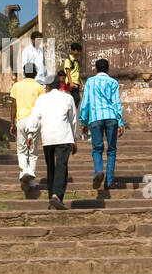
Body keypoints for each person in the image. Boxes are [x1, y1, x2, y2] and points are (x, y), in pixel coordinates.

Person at [29, 74, 78, 210]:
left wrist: (30, 135)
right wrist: (75, 139)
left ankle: (52, 197)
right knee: (61, 166)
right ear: (60, 85)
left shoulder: (42, 99)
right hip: (64, 137)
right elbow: (73, 120)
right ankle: (56, 196)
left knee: (50, 168)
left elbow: (35, 118)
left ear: (47, 86)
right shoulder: (68, 98)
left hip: (48, 138)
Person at [79, 57, 126, 193]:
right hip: (111, 117)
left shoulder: (90, 82)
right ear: (108, 69)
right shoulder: (113, 82)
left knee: (97, 149)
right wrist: (121, 122)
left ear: (96, 69)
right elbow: (117, 103)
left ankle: (98, 171)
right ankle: (109, 181)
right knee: (111, 150)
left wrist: (83, 121)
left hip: (95, 117)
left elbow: (86, 102)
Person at [8, 62, 45, 194]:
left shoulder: (17, 86)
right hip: (34, 122)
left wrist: (12, 123)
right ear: (35, 73)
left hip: (21, 121)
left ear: (24, 72)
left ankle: (24, 172)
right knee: (33, 151)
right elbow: (42, 108)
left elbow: (13, 105)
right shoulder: (39, 87)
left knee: (22, 149)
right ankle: (31, 178)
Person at [63, 42, 83, 107]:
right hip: (71, 82)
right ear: (73, 50)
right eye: (78, 51)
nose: (79, 53)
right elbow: (67, 72)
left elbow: (78, 72)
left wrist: (82, 83)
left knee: (77, 99)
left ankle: (73, 113)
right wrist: (71, 83)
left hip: (76, 82)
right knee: (74, 99)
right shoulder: (68, 60)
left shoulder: (76, 61)